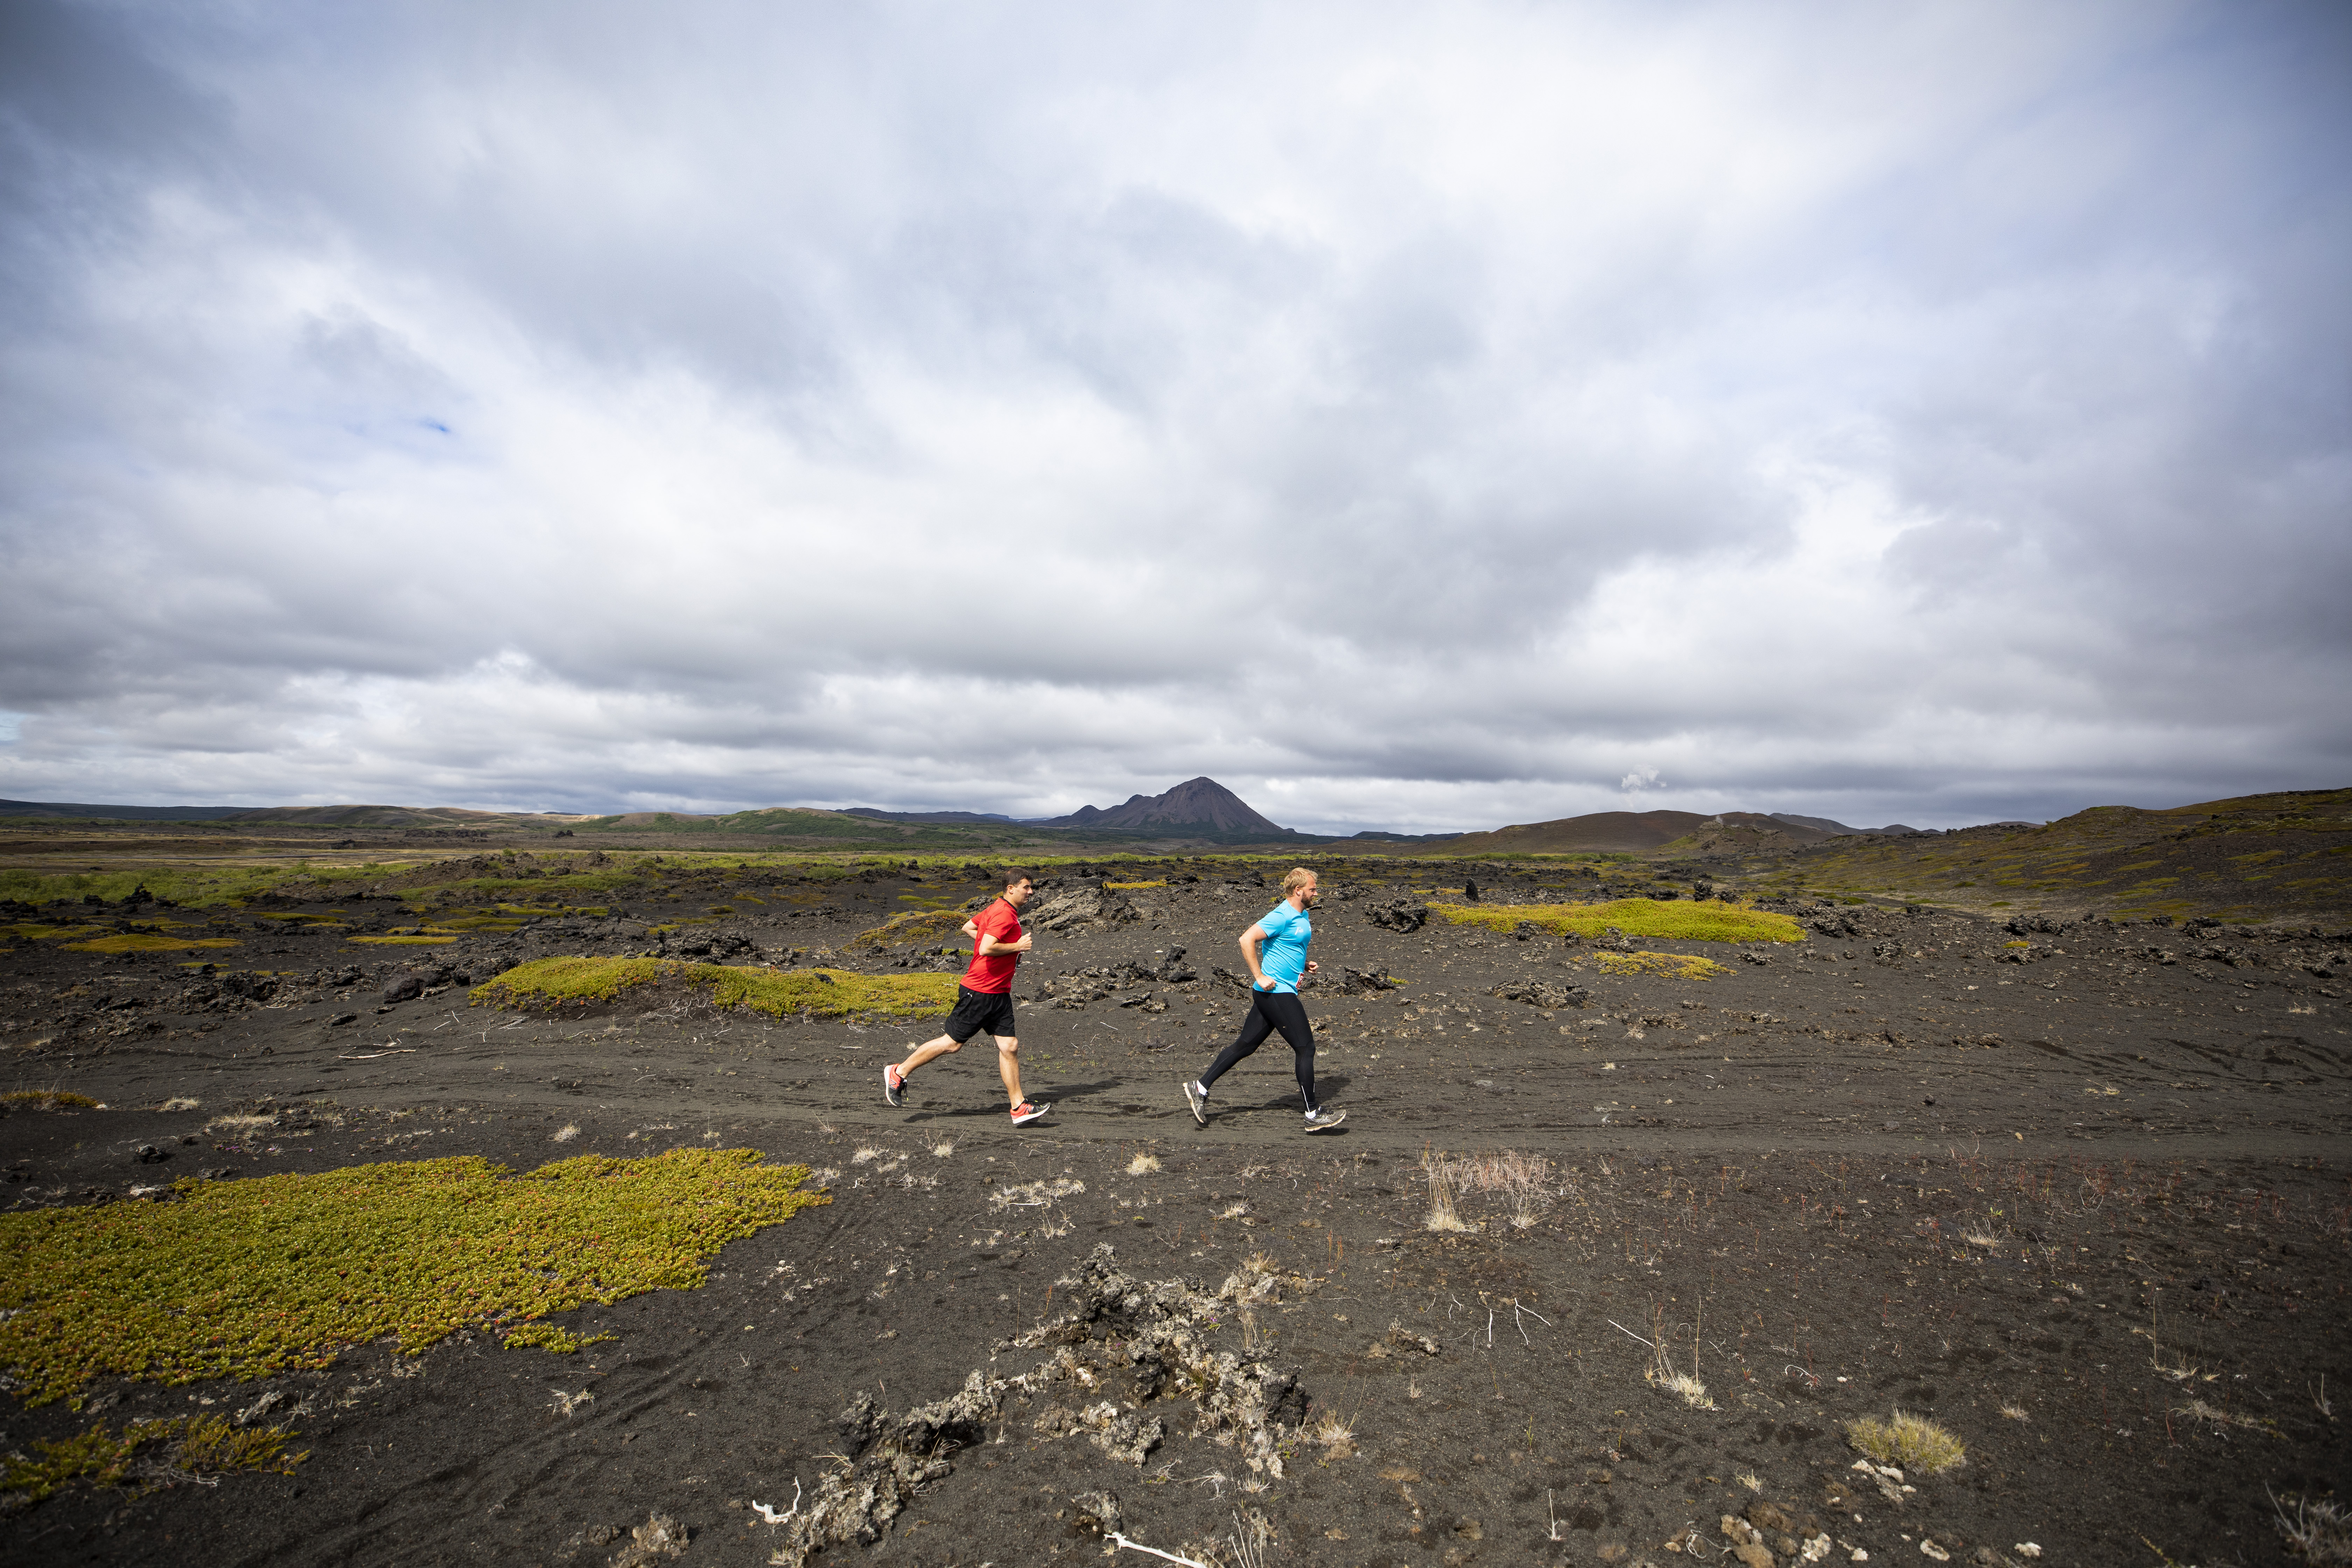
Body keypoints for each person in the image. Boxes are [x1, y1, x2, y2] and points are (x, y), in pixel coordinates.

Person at [1183, 867, 1344, 1131]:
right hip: (1275, 992)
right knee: (1306, 1048)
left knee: (1245, 1045)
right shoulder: (1281, 915)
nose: (1317, 893)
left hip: (1276, 992)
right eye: (1313, 889)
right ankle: (1313, 1114)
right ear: (1299, 891)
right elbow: (1246, 939)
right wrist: (1258, 975)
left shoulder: (1302, 915)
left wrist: (1304, 964)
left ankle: (1199, 1088)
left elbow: (1288, 946)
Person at [885, 868, 1049, 1124]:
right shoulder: (1004, 914)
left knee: (1010, 1046)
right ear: (1011, 889)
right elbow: (986, 947)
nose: (1031, 892)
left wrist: (1000, 949)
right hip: (981, 991)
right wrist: (1016, 947)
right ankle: (898, 1072)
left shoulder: (997, 908)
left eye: (1031, 887)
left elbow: (969, 927)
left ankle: (1019, 1107)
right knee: (952, 1044)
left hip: (999, 992)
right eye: (1027, 887)